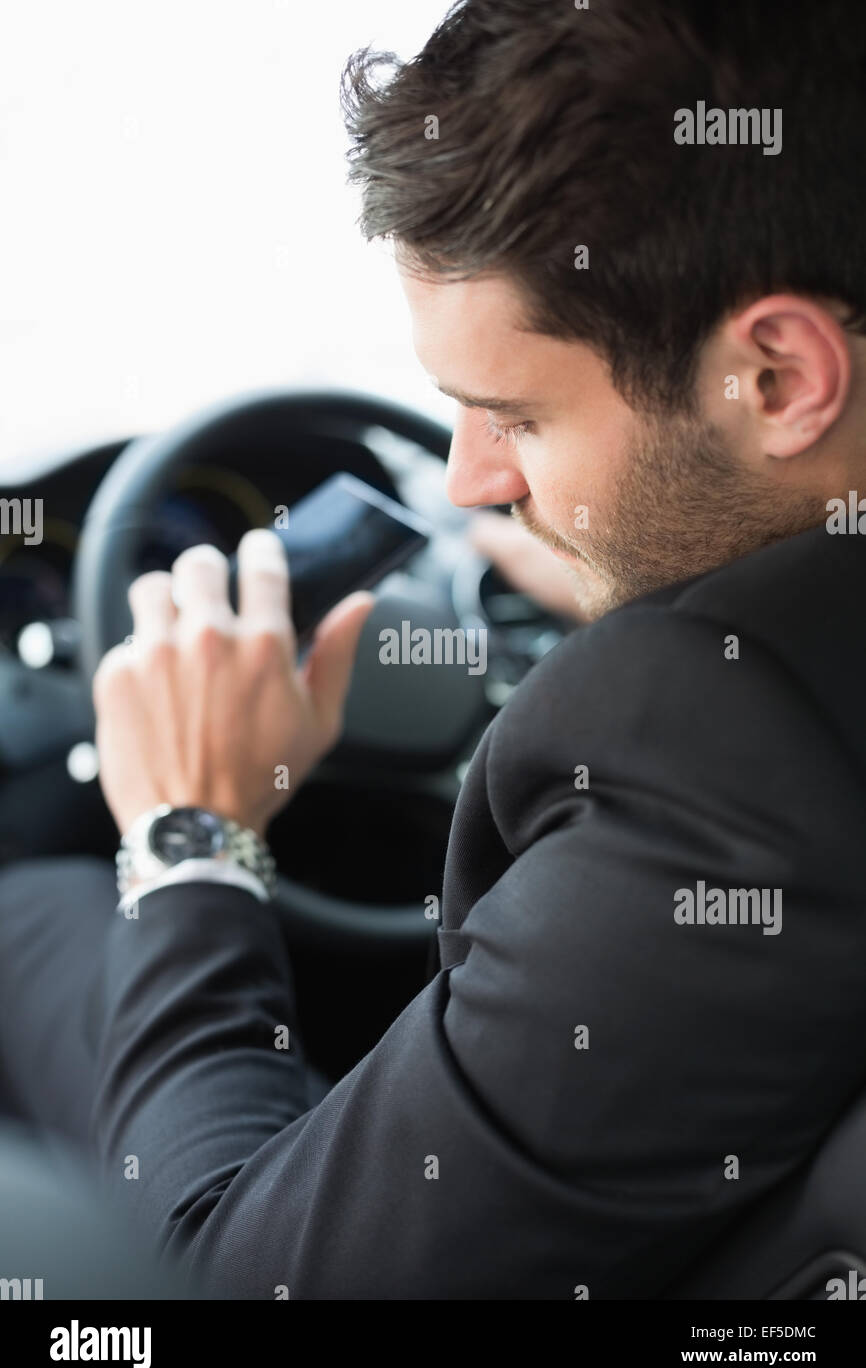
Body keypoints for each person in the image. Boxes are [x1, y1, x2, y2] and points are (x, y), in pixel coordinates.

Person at [3, 0, 866, 1299]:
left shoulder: (720, 755)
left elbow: (248, 1280)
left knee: (28, 913)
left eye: (512, 414)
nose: (467, 482)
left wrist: (191, 828)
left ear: (779, 378)